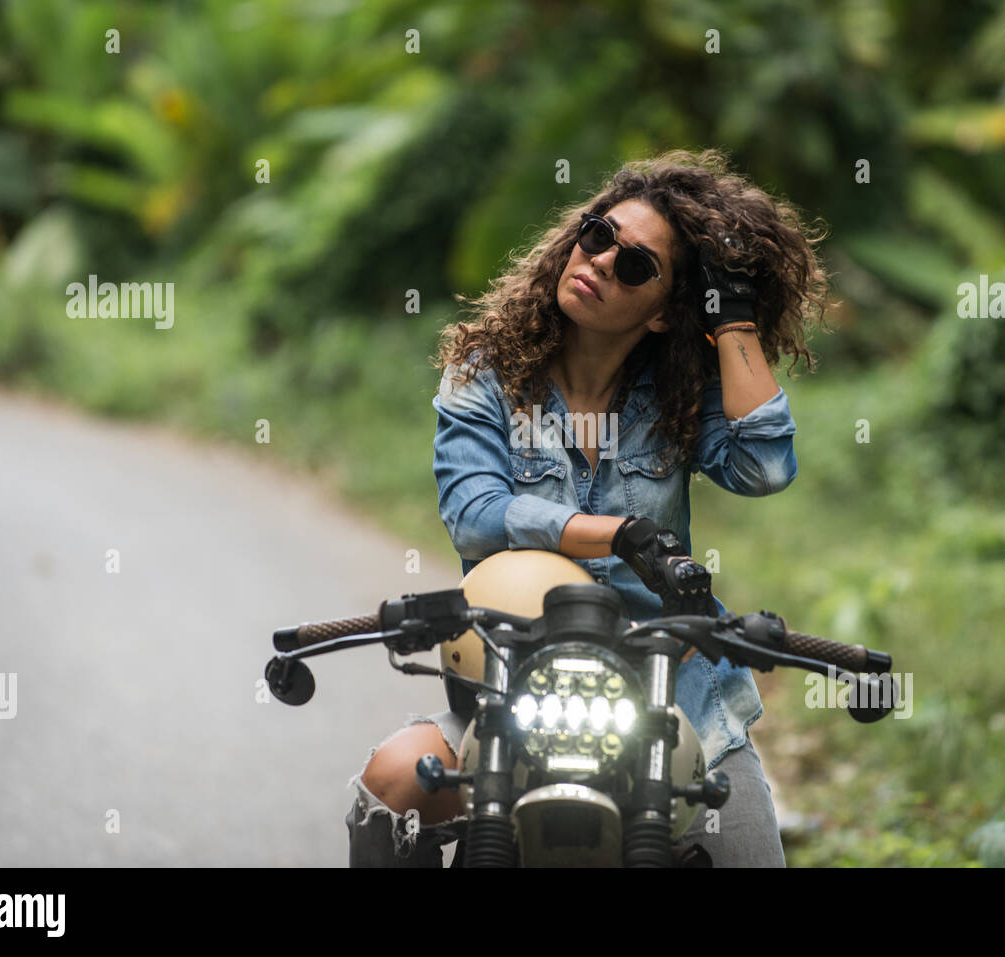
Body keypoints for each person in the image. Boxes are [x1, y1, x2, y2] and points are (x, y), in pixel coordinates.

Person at [346, 148, 827, 867]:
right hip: (516, 685)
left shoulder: (676, 396)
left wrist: (731, 318)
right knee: (393, 778)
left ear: (663, 313)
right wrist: (619, 534)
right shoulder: (487, 375)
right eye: (598, 235)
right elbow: (476, 512)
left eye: (635, 266)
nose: (600, 262)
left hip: (670, 694)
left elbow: (763, 466)